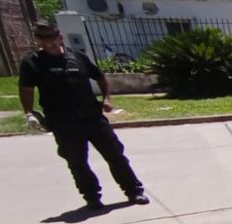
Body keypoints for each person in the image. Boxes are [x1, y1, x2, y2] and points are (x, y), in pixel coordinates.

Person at [19, 21, 148, 210]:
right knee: (77, 162)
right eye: (42, 38)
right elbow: (26, 89)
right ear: (37, 40)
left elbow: (99, 76)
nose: (48, 42)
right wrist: (29, 113)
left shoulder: (77, 56)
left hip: (92, 117)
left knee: (115, 154)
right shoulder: (32, 61)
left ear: (60, 36)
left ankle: (134, 191)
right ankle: (92, 197)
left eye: (51, 37)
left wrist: (107, 98)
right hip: (63, 121)